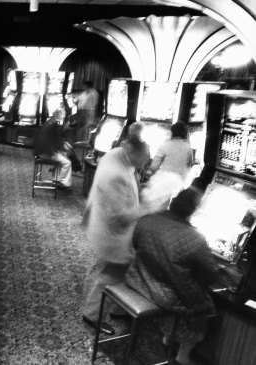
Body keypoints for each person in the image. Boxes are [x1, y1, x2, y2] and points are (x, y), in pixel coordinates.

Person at [126, 187, 218, 365]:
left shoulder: (147, 219)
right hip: (164, 294)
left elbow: (136, 245)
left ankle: (169, 336)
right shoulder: (195, 238)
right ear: (193, 211)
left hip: (138, 280)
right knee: (202, 307)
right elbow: (210, 275)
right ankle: (182, 355)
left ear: (173, 202)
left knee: (177, 285)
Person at [81, 135, 157, 335]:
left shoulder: (117, 156)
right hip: (112, 233)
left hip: (104, 226)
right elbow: (119, 216)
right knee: (112, 273)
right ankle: (92, 314)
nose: (146, 161)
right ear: (132, 152)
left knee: (124, 269)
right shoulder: (117, 174)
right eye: (144, 157)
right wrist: (147, 209)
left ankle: (117, 308)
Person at [142, 121, 194, 210]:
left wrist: (147, 174)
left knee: (151, 204)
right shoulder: (188, 148)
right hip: (178, 182)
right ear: (185, 134)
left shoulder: (165, 145)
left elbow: (154, 165)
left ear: (172, 132)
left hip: (163, 180)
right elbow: (189, 165)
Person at [33, 107, 73, 189]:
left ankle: (56, 178)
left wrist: (64, 145)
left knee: (63, 155)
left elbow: (55, 140)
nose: (64, 116)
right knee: (67, 162)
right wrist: (65, 147)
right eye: (63, 114)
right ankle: (64, 183)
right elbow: (57, 143)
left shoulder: (49, 121)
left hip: (40, 151)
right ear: (59, 115)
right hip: (46, 153)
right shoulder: (54, 125)